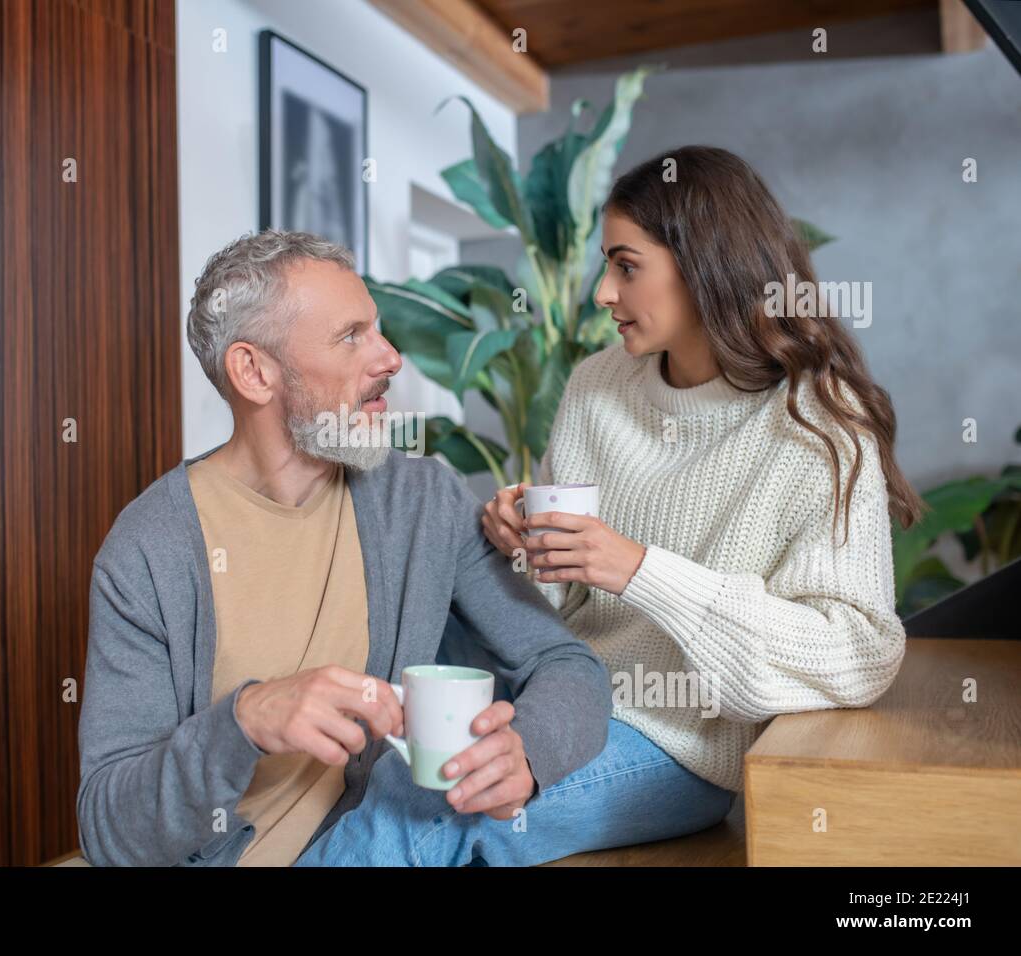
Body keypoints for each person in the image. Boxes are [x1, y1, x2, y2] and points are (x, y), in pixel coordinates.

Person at [294, 145, 916, 866]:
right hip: (553, 692)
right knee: (388, 739)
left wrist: (642, 570)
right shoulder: (598, 386)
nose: (601, 293)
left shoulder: (819, 424)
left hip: (673, 743)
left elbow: (861, 654)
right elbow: (558, 609)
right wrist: (518, 542)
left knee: (440, 799)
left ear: (705, 265)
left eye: (626, 265)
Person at [75, 229, 613, 867]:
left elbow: (566, 665)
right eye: (350, 336)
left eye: (378, 330)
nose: (390, 358)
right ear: (254, 371)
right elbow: (108, 832)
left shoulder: (420, 502)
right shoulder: (149, 550)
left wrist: (526, 750)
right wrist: (243, 721)